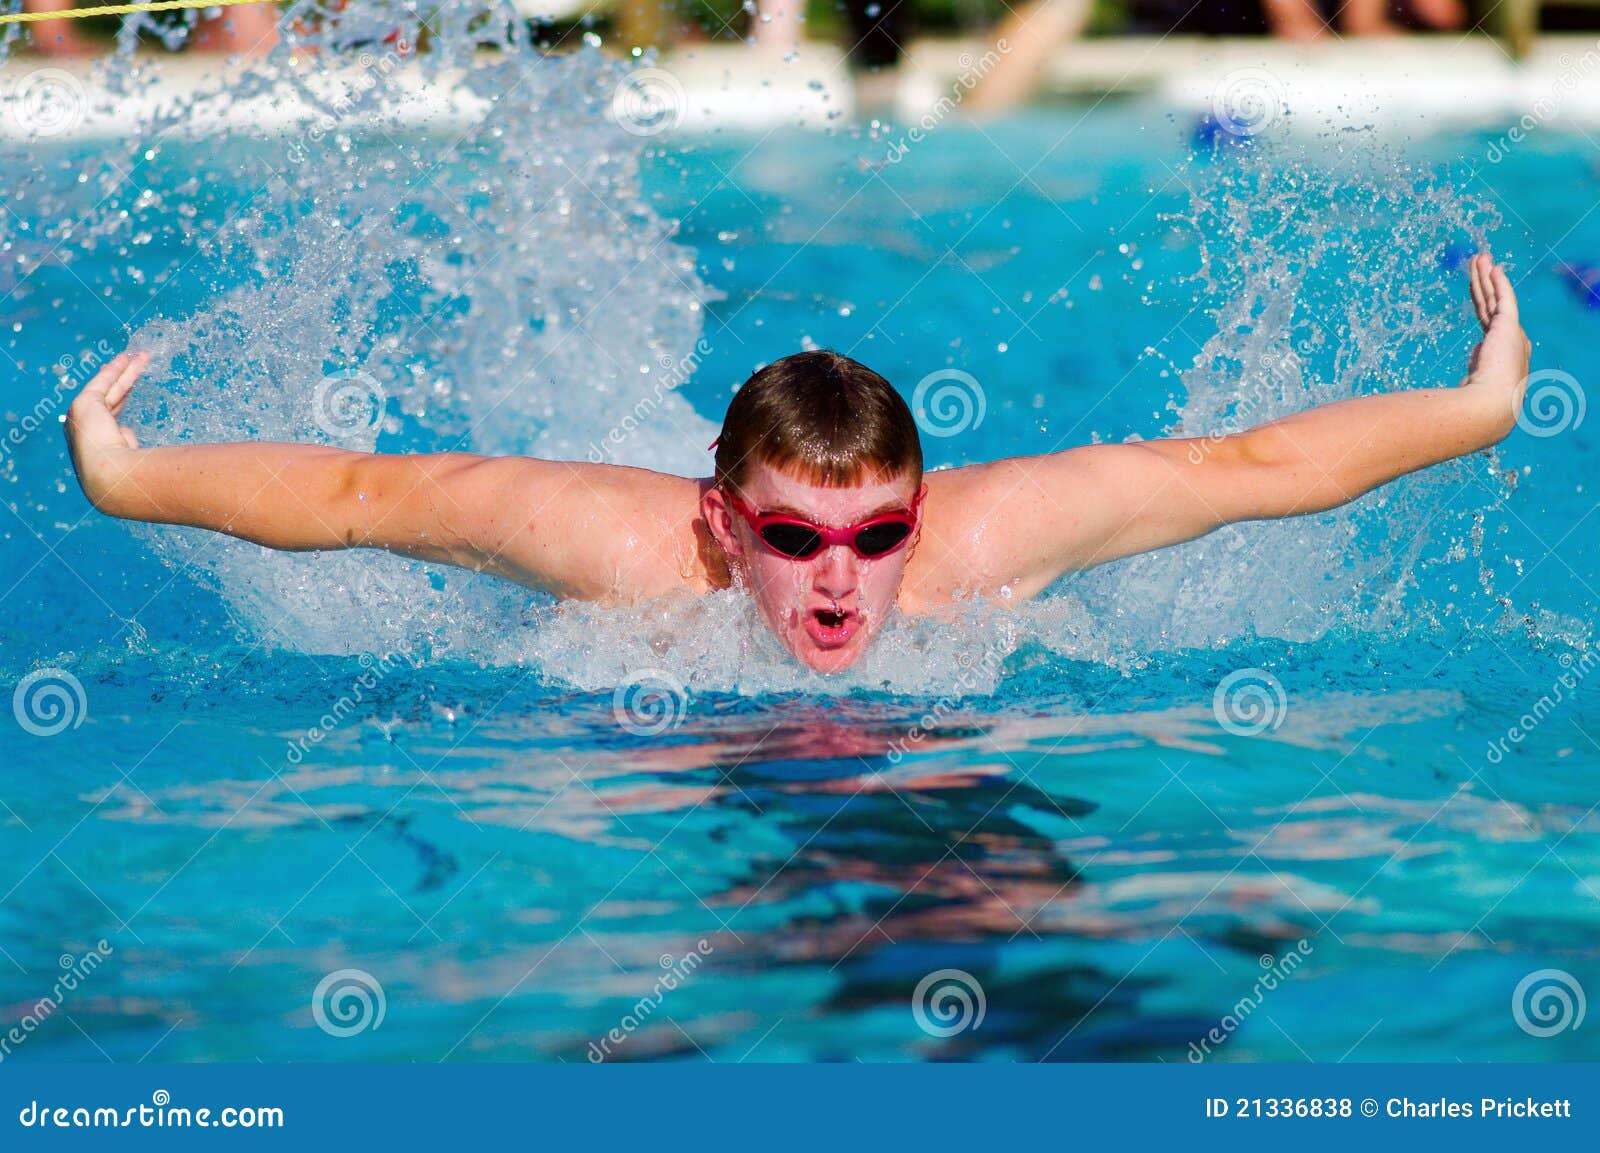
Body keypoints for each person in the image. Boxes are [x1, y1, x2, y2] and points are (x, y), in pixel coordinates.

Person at [64, 254, 1531, 675]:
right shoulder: (619, 546)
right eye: (792, 539)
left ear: (920, 510)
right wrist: (128, 476)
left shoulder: (987, 537)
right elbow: (360, 498)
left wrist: (1476, 410)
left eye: (876, 539)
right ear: (721, 520)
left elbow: (1251, 463)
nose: (839, 581)